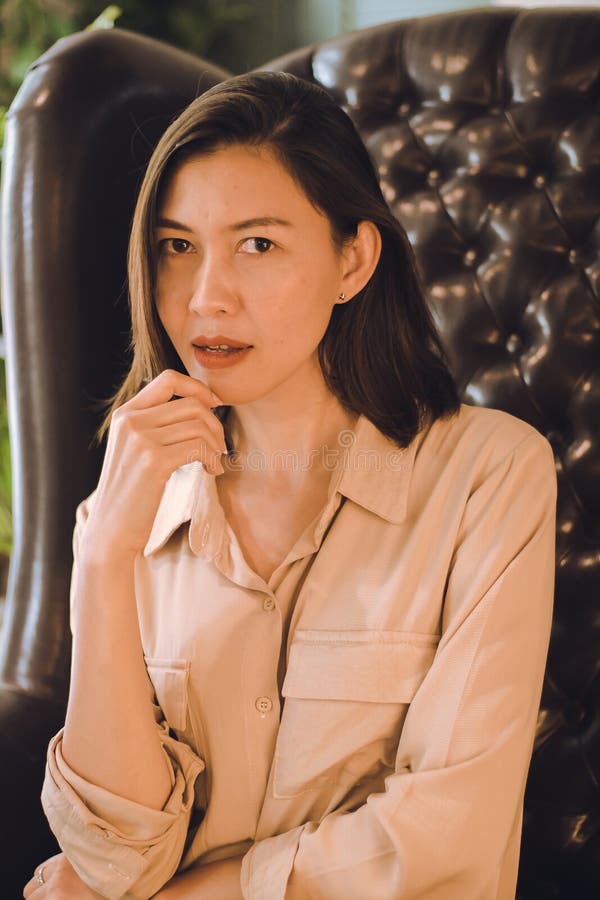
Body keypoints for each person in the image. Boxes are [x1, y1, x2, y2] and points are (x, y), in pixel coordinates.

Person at [24, 70, 556, 900]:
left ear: (354, 260)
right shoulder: (130, 507)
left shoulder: (489, 475)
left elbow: (447, 834)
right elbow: (115, 857)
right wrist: (102, 556)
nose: (206, 299)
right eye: (177, 246)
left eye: (258, 245)